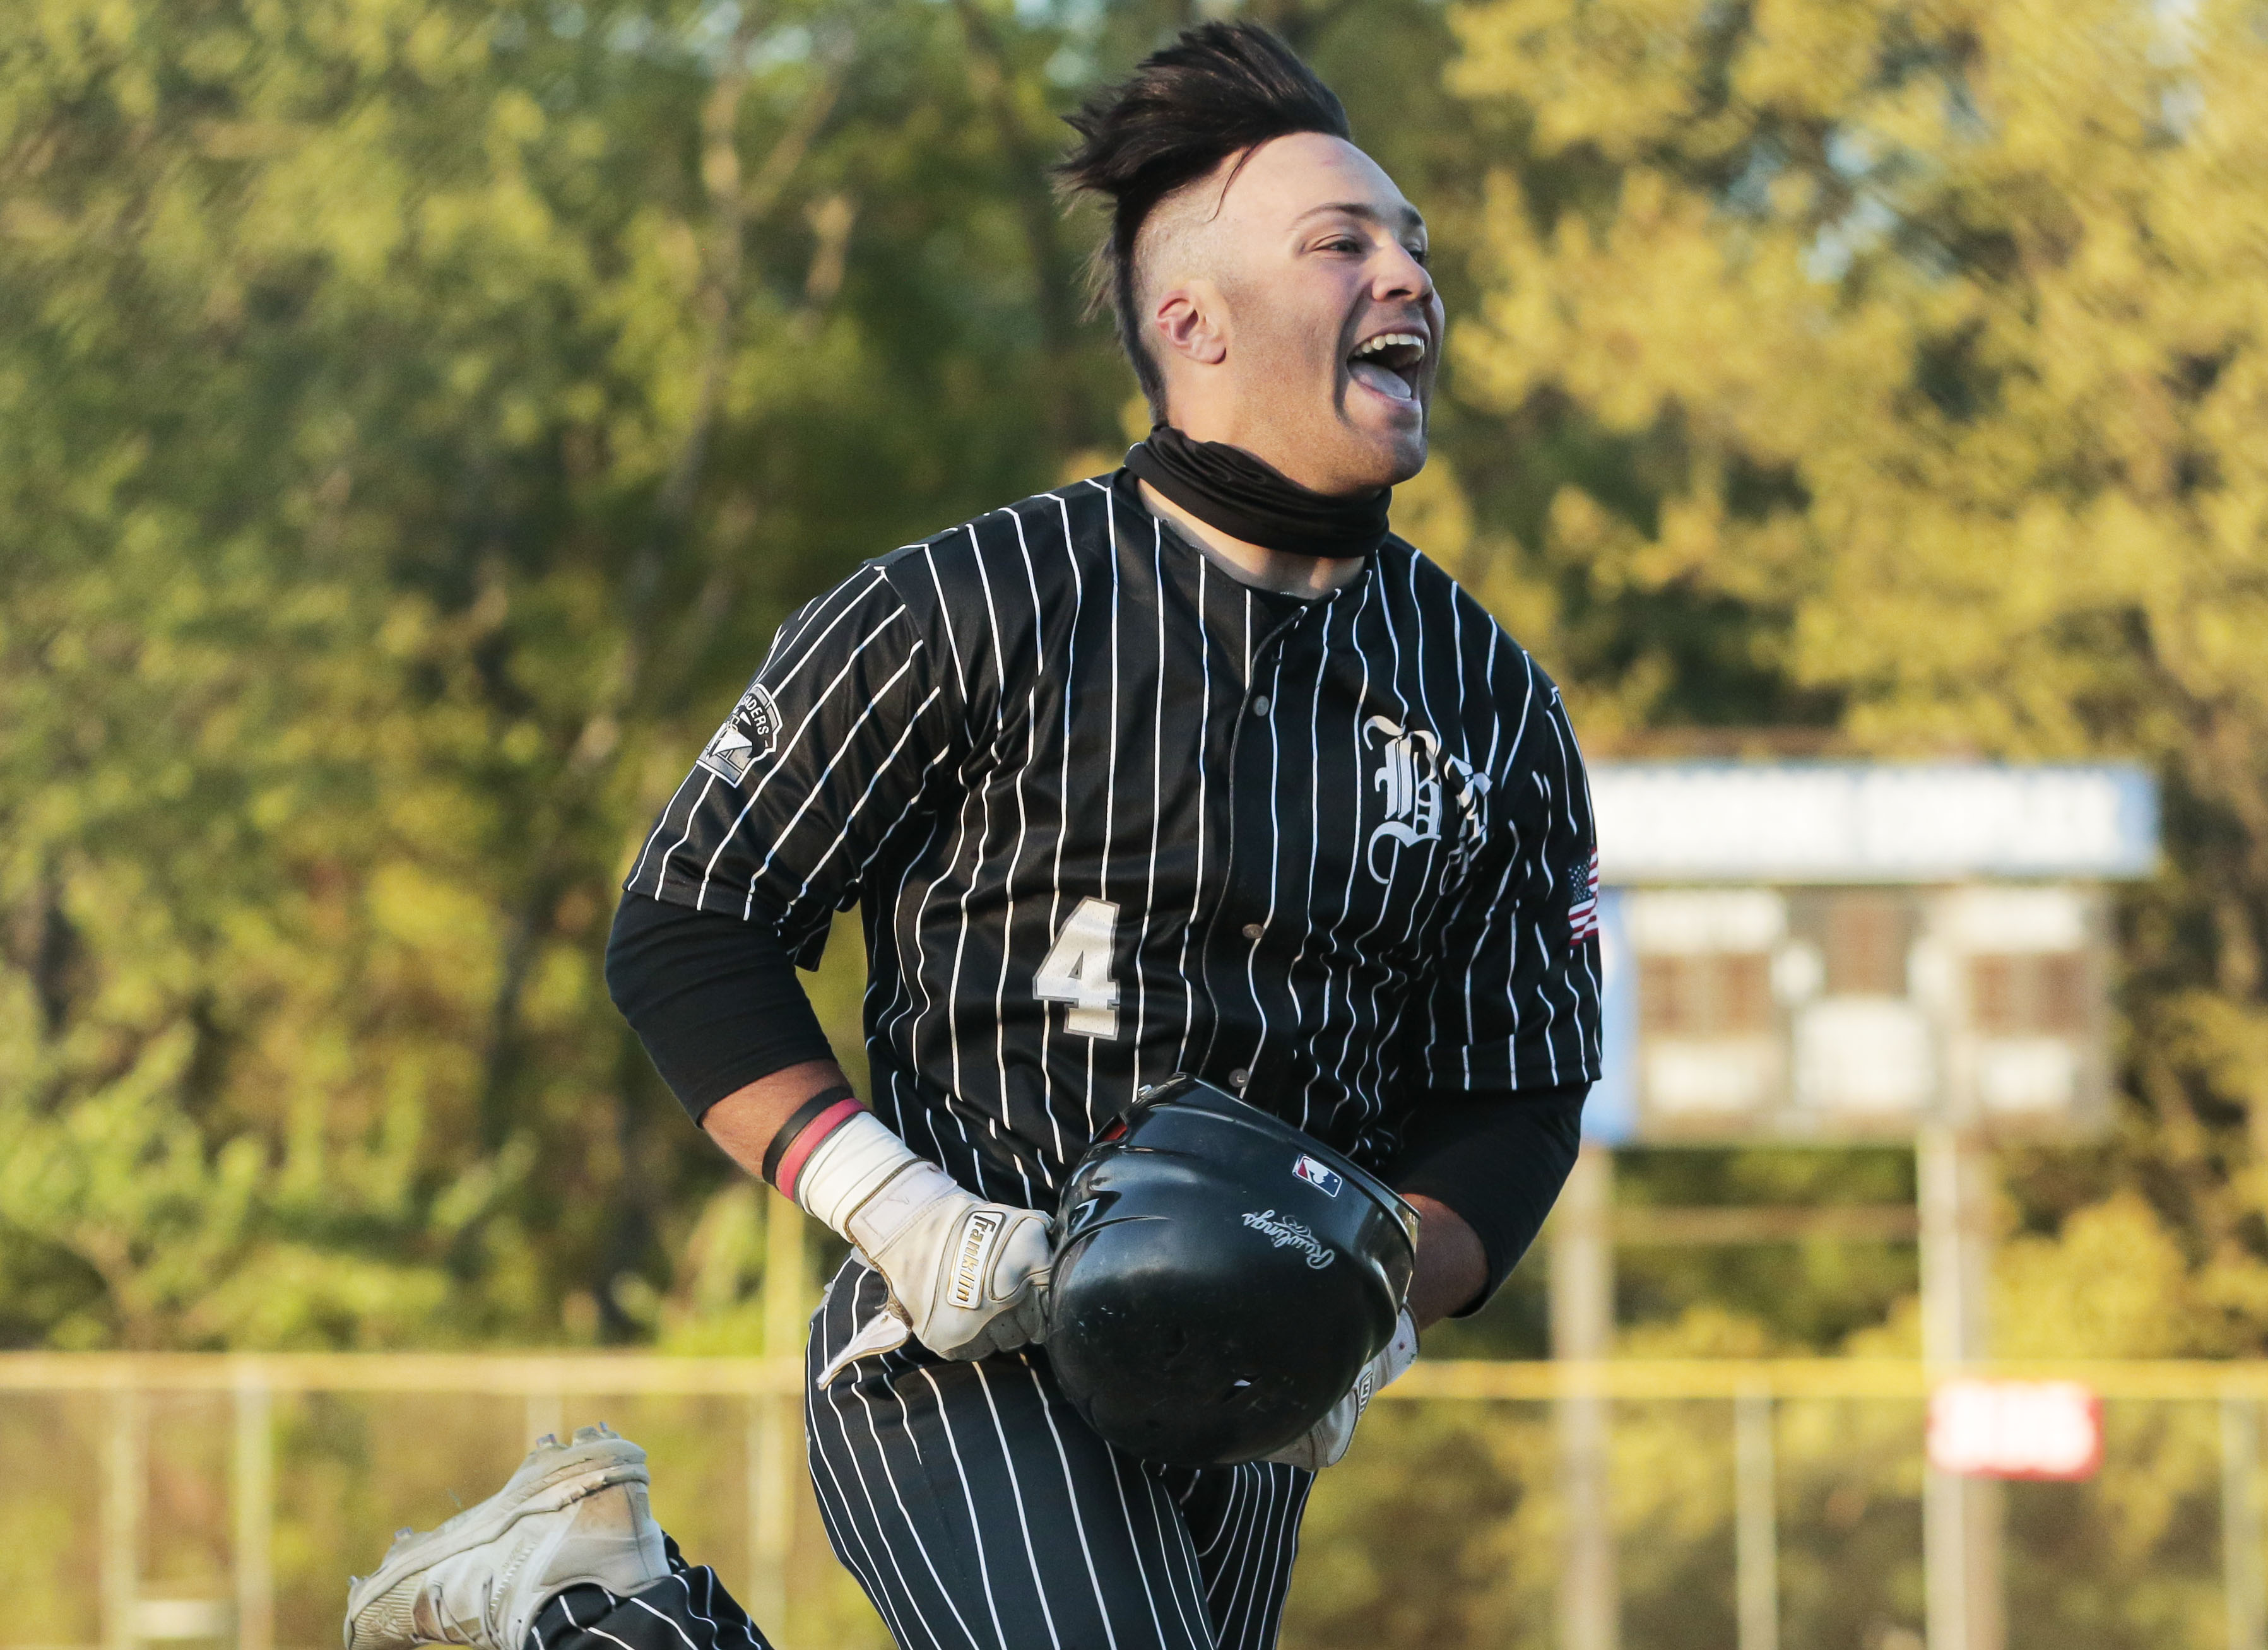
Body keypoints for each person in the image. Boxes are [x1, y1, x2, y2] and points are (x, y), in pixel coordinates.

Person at [345, 22, 1600, 1650]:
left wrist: (1367, 1288)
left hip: (1247, 1417)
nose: (1408, 276)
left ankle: (595, 1614)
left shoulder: (1493, 700)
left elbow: (1516, 1090)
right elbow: (688, 925)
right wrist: (904, 1214)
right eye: (1341, 243)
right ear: (1193, 321)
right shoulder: (969, 606)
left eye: (1413, 244)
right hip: (959, 1357)